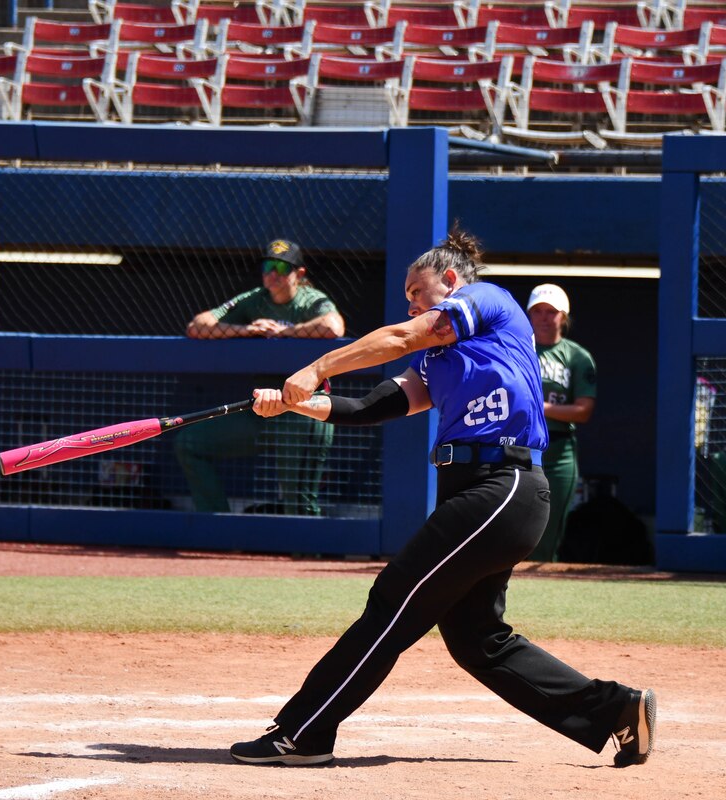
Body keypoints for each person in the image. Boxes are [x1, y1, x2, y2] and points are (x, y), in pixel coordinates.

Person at [230, 228, 655, 768]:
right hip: (479, 492)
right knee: (477, 638)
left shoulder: (486, 299)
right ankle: (617, 711)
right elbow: (373, 406)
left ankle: (304, 732)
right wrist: (295, 403)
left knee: (393, 599)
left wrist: (318, 367)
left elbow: (405, 336)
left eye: (416, 290)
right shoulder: (437, 359)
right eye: (406, 296)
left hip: (504, 484)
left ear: (450, 279)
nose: (410, 303)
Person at [176, 239, 345, 515]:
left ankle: (308, 542)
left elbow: (334, 326)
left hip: (303, 412)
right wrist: (248, 330)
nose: (273, 274)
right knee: (190, 444)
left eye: (281, 267)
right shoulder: (256, 299)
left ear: (299, 273)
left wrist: (284, 331)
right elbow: (198, 326)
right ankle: (220, 527)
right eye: (268, 266)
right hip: (261, 411)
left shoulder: (311, 299)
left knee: (298, 505)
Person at [526, 284, 597, 562]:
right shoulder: (516, 349)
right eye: (538, 311)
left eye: (551, 312)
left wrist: (541, 408)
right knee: (514, 525)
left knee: (548, 530)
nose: (544, 317)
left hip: (559, 451)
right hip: (520, 447)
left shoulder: (577, 356)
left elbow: (583, 410)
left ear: (563, 316)